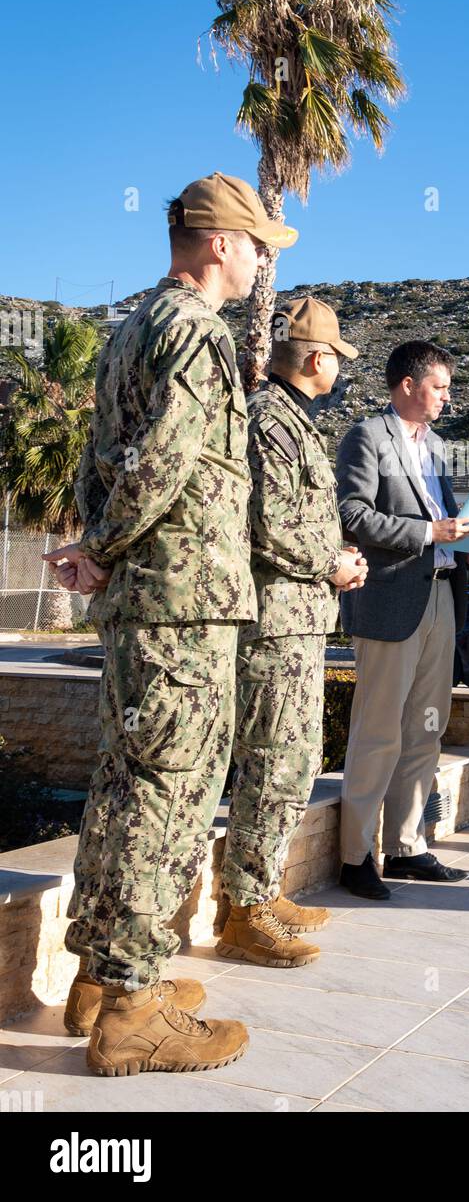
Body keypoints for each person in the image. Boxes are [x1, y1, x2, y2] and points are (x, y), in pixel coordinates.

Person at [45, 171, 298, 1076]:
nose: (265, 258)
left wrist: (94, 543)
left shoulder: (134, 327)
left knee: (126, 783)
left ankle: (101, 978)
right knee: (170, 793)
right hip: (182, 599)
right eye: (259, 242)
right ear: (220, 242)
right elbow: (165, 458)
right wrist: (105, 545)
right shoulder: (193, 330)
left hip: (151, 597)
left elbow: (97, 457)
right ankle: (134, 1008)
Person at [217, 296, 368, 966]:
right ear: (316, 358)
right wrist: (330, 562)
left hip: (298, 621)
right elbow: (270, 525)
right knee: (271, 760)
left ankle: (262, 888)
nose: (339, 368)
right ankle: (244, 912)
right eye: (337, 356)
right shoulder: (269, 422)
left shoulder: (292, 422)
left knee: (294, 760)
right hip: (274, 623)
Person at [335, 340, 469, 899]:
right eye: (441, 387)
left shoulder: (441, 448)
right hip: (389, 602)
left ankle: (407, 847)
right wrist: (431, 534)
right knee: (378, 731)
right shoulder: (366, 436)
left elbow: (441, 522)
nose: (448, 398)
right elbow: (352, 514)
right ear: (408, 384)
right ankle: (356, 856)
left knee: (426, 729)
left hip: (442, 596)